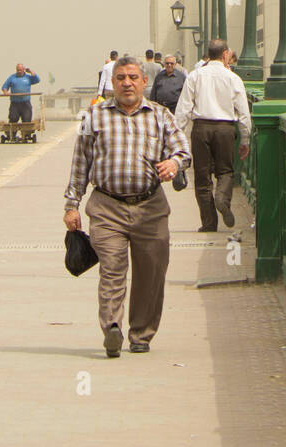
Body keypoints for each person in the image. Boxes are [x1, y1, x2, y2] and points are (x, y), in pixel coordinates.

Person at [64, 54, 191, 357]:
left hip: (150, 208)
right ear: (112, 83)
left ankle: (141, 334)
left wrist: (173, 163)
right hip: (107, 207)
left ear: (144, 82)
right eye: (121, 78)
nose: (127, 83)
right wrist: (72, 205)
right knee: (112, 268)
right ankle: (112, 329)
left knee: (151, 272)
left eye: (133, 78)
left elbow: (182, 150)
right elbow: (80, 162)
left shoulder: (160, 116)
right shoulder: (94, 117)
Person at [174, 39, 251, 233]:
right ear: (225, 54)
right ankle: (222, 199)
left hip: (201, 129)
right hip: (225, 129)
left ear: (208, 54)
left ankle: (209, 222)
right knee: (225, 171)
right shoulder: (233, 78)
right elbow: (243, 112)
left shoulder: (195, 76)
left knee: (202, 177)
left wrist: (177, 136)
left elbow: (183, 109)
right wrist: (245, 139)